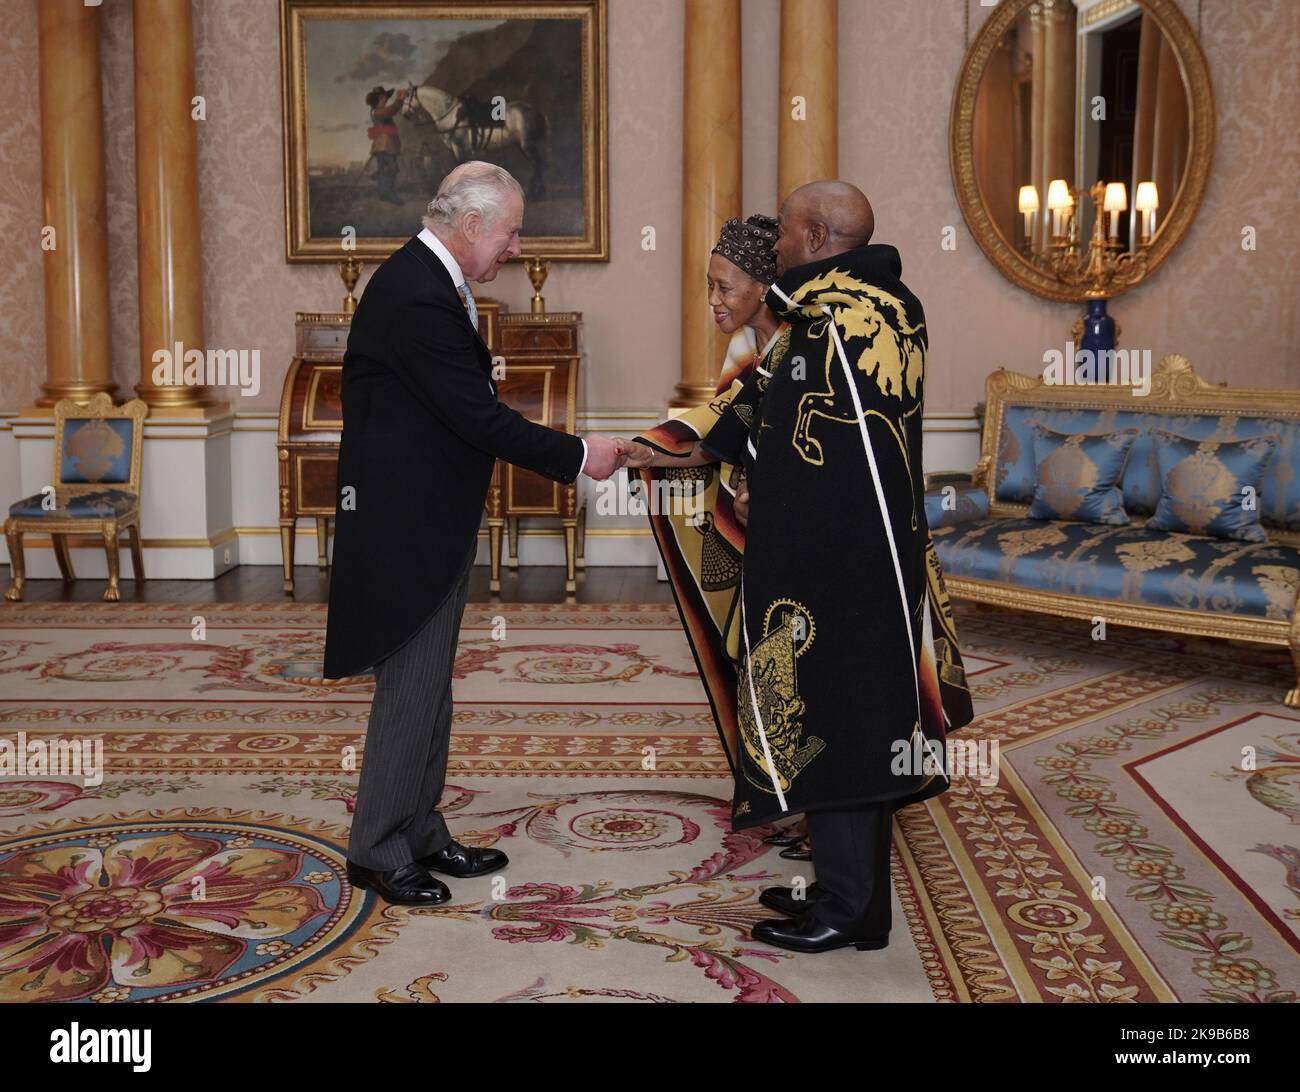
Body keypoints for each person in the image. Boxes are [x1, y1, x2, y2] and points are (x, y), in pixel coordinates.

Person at [624, 181, 973, 953]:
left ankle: (849, 910)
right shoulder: (865, 305)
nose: (775, 242)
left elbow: (822, 446)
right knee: (841, 719)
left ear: (815, 235)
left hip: (844, 565)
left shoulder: (841, 313)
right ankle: (854, 897)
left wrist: (759, 494)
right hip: (847, 558)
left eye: (783, 230)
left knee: (845, 725)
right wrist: (709, 455)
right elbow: (780, 410)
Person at [323, 161, 624, 906]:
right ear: (470, 226)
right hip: (406, 525)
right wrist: (582, 455)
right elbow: (478, 417)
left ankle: (420, 830)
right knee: (409, 688)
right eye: (512, 231)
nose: (516, 248)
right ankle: (378, 849)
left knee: (431, 689)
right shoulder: (415, 293)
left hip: (430, 515)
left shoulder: (430, 283)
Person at [625, 214, 809, 851]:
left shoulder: (804, 342)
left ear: (763, 285)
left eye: (725, 287)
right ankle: (787, 795)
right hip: (758, 534)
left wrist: (774, 490)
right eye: (709, 285)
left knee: (802, 667)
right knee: (758, 662)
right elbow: (719, 432)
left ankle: (826, 809)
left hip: (810, 539)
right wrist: (645, 452)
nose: (713, 301)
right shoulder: (744, 350)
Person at [365, 86, 407, 205]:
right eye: (383, 97)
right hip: (384, 146)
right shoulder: (378, 111)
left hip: (387, 146)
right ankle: (387, 194)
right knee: (388, 169)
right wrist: (400, 99)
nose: (385, 99)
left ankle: (386, 193)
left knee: (388, 169)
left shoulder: (380, 111)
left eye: (385, 97)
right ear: (378, 99)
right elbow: (391, 110)